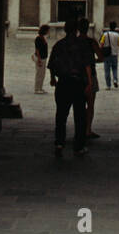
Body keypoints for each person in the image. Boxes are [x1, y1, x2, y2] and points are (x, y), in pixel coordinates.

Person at [48, 17, 90, 156]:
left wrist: (53, 78)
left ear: (65, 29)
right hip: (78, 83)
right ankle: (79, 146)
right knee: (80, 116)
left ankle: (59, 143)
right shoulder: (82, 45)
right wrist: (89, 83)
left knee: (61, 115)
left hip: (64, 82)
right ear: (77, 29)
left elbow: (52, 63)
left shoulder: (59, 45)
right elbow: (87, 65)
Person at [77, 14, 104, 139]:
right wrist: (92, 61)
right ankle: (88, 129)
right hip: (90, 76)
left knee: (78, 105)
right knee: (90, 104)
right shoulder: (91, 42)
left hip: (76, 76)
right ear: (87, 28)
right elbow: (101, 57)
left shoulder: (75, 42)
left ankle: (79, 129)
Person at [100, 20, 119, 89]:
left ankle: (108, 85)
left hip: (107, 54)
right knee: (114, 69)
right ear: (115, 27)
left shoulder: (105, 34)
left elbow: (101, 43)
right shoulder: (117, 35)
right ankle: (115, 80)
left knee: (107, 70)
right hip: (114, 54)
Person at [33, 23, 50, 93]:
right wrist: (39, 59)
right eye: (48, 30)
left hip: (44, 58)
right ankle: (37, 88)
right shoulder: (38, 38)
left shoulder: (43, 38)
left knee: (42, 73)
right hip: (40, 58)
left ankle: (40, 87)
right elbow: (37, 50)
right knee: (39, 73)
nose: (48, 32)